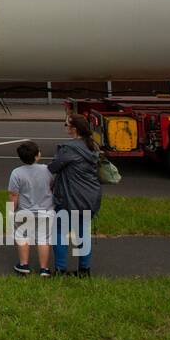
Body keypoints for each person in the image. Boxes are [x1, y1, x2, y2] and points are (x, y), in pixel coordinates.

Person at [48, 114, 103, 277]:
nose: (65, 128)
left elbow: (54, 167)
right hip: (90, 195)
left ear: (74, 129)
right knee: (83, 232)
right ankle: (84, 270)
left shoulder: (68, 148)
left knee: (60, 231)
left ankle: (60, 269)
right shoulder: (93, 146)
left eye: (67, 125)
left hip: (69, 195)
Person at [7, 141, 54, 277]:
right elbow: (52, 186)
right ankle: (44, 268)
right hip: (46, 210)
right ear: (37, 155)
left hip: (25, 211)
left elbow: (13, 195)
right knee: (44, 238)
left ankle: (24, 265)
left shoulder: (16, 173)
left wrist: (11, 211)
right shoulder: (47, 170)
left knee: (22, 236)